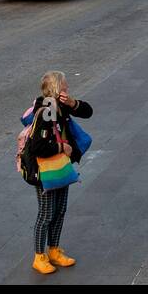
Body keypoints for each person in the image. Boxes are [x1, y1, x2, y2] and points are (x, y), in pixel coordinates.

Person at [23, 71, 93, 275]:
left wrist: (72, 103)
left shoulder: (60, 106)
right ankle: (39, 256)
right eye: (65, 86)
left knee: (60, 210)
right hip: (44, 170)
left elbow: (88, 112)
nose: (68, 88)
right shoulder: (47, 110)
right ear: (56, 89)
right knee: (46, 214)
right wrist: (63, 148)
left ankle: (54, 250)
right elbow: (37, 147)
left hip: (59, 167)